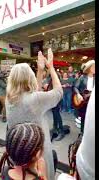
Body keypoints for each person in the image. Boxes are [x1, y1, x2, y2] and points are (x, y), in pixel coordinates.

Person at [5, 48, 63, 180]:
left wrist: (41, 70)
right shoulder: (34, 100)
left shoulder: (9, 99)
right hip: (37, 154)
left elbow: (33, 94)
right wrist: (51, 67)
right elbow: (59, 92)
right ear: (29, 77)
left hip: (19, 153)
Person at [74, 60, 95, 134]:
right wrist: (78, 94)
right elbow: (75, 87)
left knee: (91, 117)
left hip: (92, 101)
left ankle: (89, 132)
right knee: (83, 117)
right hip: (84, 101)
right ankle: (82, 132)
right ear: (89, 68)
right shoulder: (82, 77)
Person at [43, 74, 65, 141]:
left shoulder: (57, 81)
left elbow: (58, 91)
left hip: (57, 100)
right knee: (54, 114)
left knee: (57, 114)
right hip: (52, 100)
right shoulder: (50, 79)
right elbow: (48, 87)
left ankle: (61, 131)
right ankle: (55, 127)